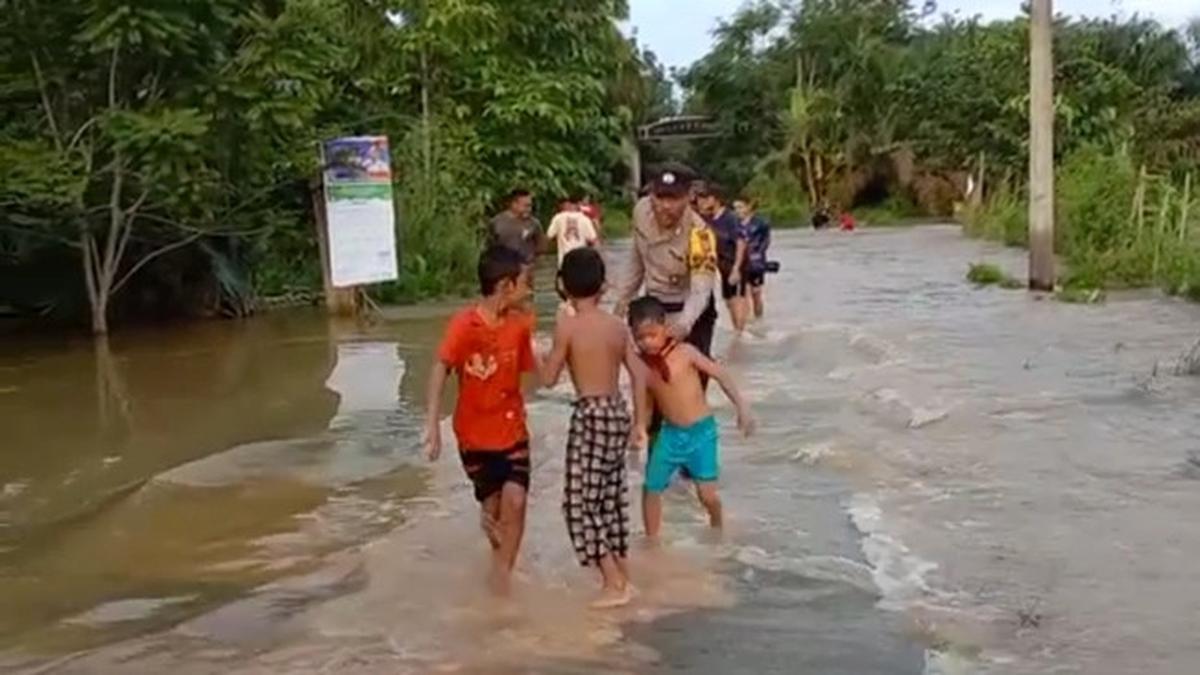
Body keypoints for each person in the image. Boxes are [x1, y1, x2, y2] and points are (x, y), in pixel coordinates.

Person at [536, 248, 648, 609]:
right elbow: (640, 375)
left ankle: (614, 582)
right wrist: (640, 423)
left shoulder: (567, 325)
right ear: (602, 285)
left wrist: (534, 350)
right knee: (611, 499)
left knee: (578, 504)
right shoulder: (617, 325)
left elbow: (549, 379)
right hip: (617, 410)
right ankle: (624, 574)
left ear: (563, 287)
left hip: (590, 413)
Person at [423, 245, 536, 595]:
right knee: (493, 509)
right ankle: (498, 562)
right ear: (505, 286)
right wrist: (432, 425)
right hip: (473, 436)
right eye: (524, 283)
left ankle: (503, 578)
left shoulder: (519, 327)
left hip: (512, 431)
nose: (529, 290)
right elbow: (441, 367)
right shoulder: (463, 325)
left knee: (515, 501)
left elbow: (534, 372)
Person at [627, 297, 753, 537]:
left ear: (665, 327)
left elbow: (720, 374)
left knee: (707, 496)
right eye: (639, 338)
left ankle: (718, 527)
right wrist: (639, 428)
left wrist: (741, 407)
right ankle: (652, 540)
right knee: (652, 487)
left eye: (652, 335)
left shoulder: (685, 352)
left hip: (702, 433)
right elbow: (643, 404)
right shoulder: (642, 368)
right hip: (671, 435)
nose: (647, 343)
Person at [696, 184, 749, 332]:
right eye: (700, 198)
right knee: (728, 301)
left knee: (736, 299)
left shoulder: (730, 218)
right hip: (722, 265)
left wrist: (736, 269)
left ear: (716, 200)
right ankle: (739, 332)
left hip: (736, 263)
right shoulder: (706, 218)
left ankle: (740, 335)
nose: (701, 202)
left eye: (705, 198)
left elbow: (741, 242)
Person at [734, 197, 772, 320]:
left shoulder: (760, 223)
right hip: (740, 263)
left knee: (756, 293)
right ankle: (745, 321)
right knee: (742, 294)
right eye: (735, 208)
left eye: (740, 207)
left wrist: (759, 252)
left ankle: (759, 319)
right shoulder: (735, 224)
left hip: (756, 263)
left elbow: (766, 240)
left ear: (748, 207)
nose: (737, 211)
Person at [488, 189, 545, 264]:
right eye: (526, 206)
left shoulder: (534, 223)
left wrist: (532, 264)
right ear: (514, 204)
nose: (529, 209)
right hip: (502, 269)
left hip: (526, 269)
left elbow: (541, 247)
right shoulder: (496, 222)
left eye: (530, 206)